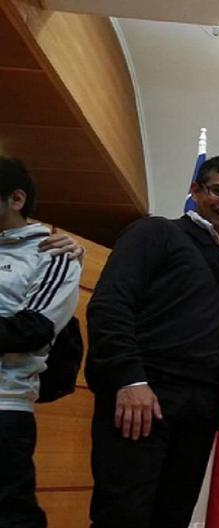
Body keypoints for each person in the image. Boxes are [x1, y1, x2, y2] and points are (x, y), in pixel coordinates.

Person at [85, 154, 219, 527]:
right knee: (123, 515)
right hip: (143, 397)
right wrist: (129, 380)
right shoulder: (155, 233)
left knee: (172, 516)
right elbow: (110, 306)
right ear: (195, 190)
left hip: (199, 409)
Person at [0, 157, 82, 528]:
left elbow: (31, 330)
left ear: (15, 199)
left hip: (5, 405)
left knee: (11, 515)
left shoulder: (52, 253)